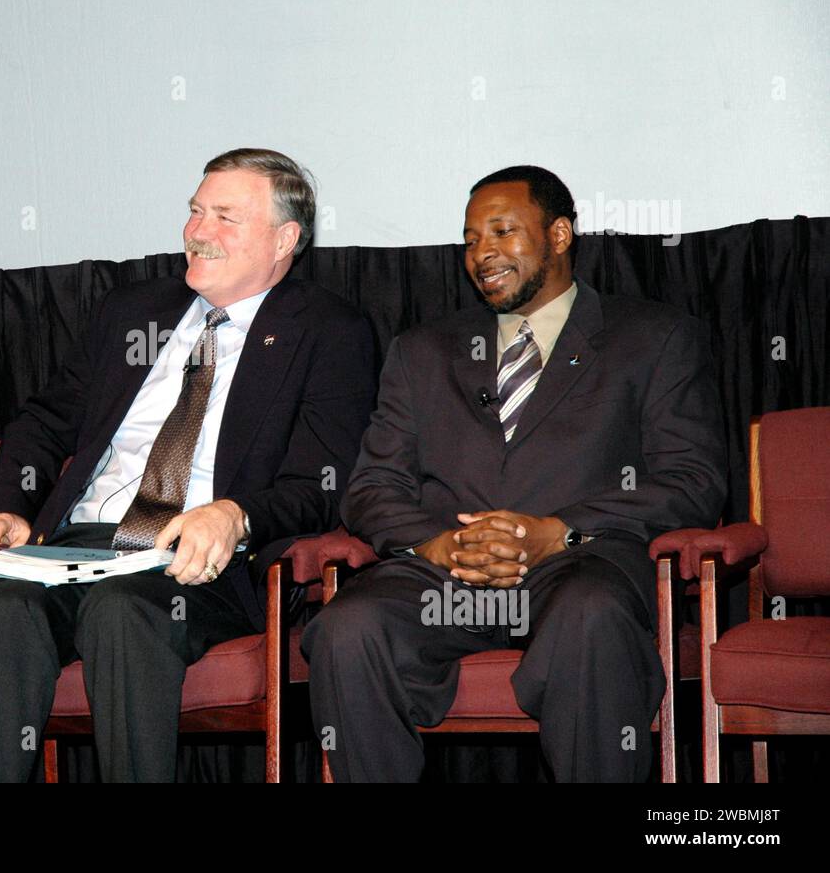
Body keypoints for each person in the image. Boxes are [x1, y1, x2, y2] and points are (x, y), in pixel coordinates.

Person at [0, 148, 376, 782]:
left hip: (202, 559)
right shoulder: (132, 312)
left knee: (122, 610)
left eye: (225, 217)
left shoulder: (327, 330)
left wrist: (235, 513)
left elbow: (325, 481)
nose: (198, 232)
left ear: (284, 239)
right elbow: (42, 422)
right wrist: (11, 506)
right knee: (2, 613)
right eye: (196, 212)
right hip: (81, 545)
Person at [303, 166, 727, 782]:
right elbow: (372, 488)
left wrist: (560, 530)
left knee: (592, 617)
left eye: (503, 232)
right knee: (347, 627)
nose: (483, 254)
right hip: (449, 578)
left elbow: (692, 481)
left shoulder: (654, 337)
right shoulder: (422, 351)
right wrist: (440, 544)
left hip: (578, 568)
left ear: (559, 235)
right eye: (471, 239)